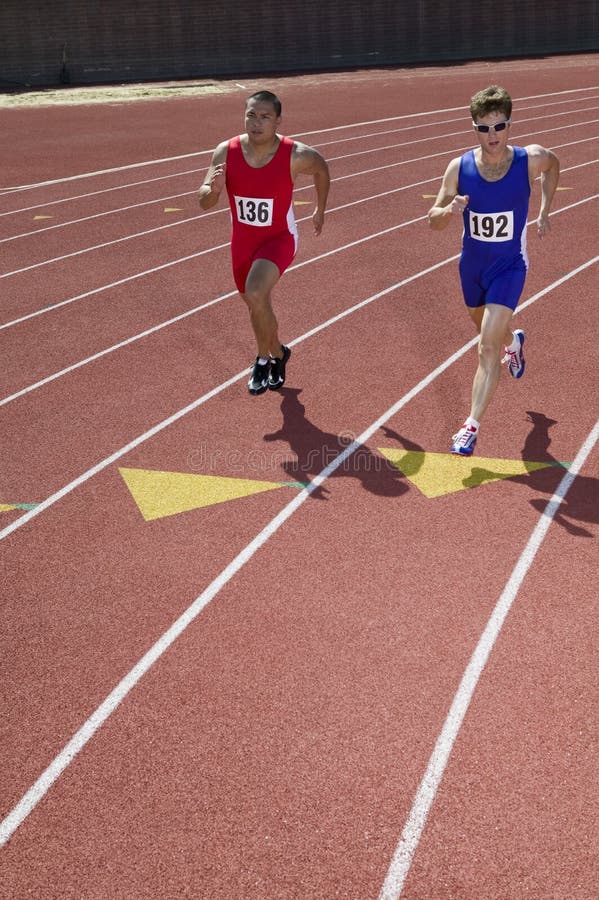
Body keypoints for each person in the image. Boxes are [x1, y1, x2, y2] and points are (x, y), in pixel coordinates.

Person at [428, 85, 560, 456]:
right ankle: (515, 343)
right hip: (472, 268)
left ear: (509, 124)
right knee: (490, 332)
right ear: (474, 128)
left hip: (509, 267)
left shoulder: (528, 160)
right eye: (484, 129)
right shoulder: (460, 168)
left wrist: (545, 209)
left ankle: (470, 427)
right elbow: (432, 220)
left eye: (499, 127)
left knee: (486, 346)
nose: (492, 136)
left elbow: (554, 165)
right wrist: (449, 210)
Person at [199, 90, 330, 395]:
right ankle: (280, 353)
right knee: (257, 306)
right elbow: (204, 201)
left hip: (279, 239)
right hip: (243, 243)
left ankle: (261, 360)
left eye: (265, 117)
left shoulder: (294, 155)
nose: (256, 123)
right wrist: (214, 190)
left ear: (278, 120)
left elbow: (322, 168)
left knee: (256, 292)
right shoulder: (225, 152)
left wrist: (319, 209)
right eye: (251, 115)